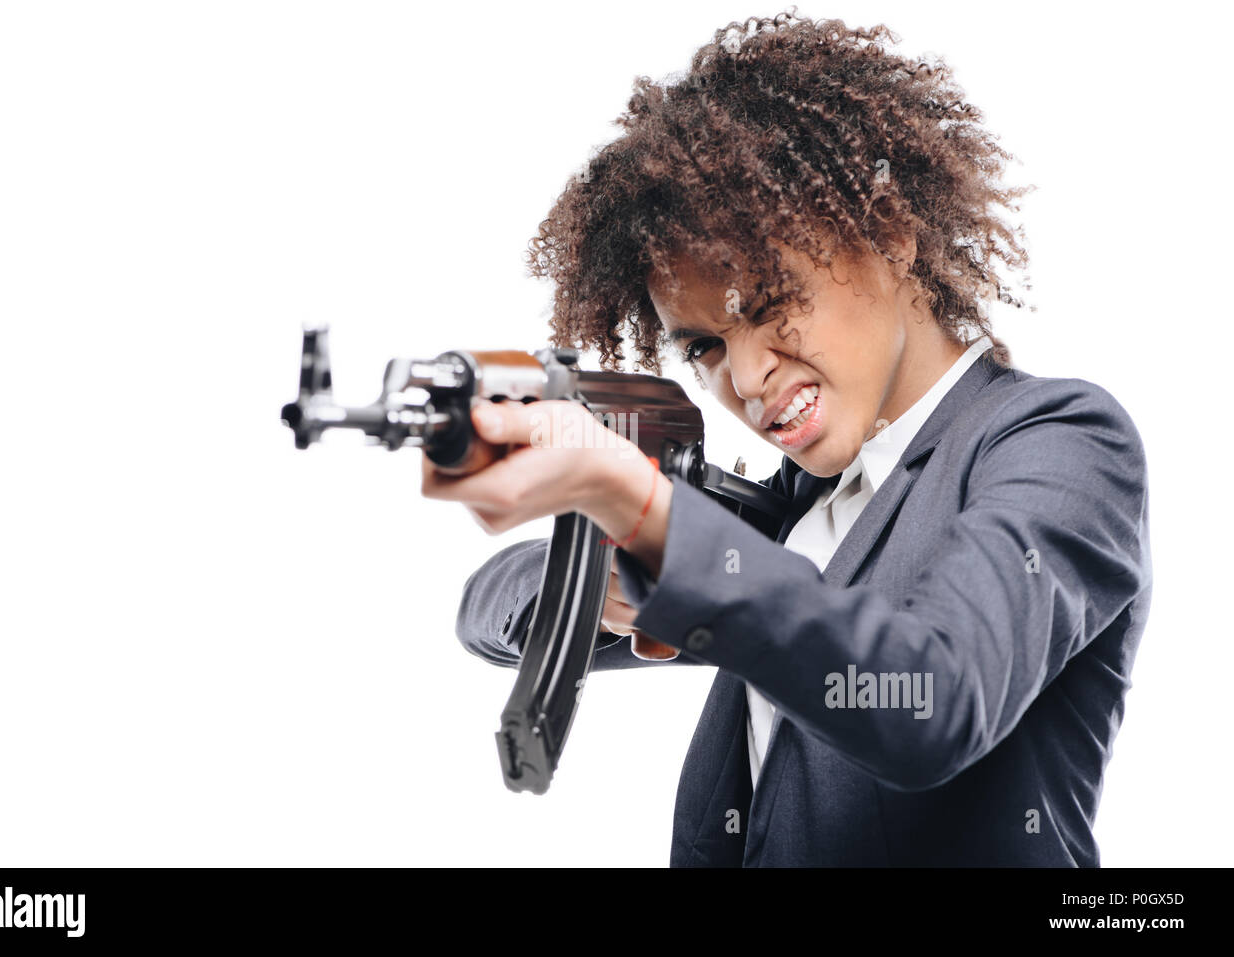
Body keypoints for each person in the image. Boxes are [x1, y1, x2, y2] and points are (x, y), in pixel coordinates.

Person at [422, 12, 1151, 866]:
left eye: (768, 304)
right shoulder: (790, 515)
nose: (746, 375)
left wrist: (651, 516)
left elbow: (928, 700)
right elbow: (485, 614)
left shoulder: (1060, 442)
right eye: (703, 346)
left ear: (891, 236)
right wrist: (622, 557)